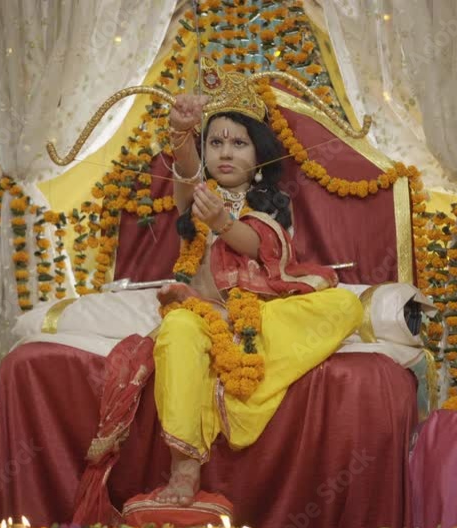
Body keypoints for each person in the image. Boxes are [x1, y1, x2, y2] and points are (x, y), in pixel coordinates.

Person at [150, 78, 363, 505]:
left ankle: (243, 394)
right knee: (177, 333)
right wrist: (181, 133)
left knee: (344, 305)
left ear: (260, 155)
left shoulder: (272, 203)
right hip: (201, 313)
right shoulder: (198, 196)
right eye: (215, 143)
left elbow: (260, 245)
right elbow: (187, 174)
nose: (225, 152)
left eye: (239, 143)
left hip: (259, 315)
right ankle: (184, 467)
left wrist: (224, 226)